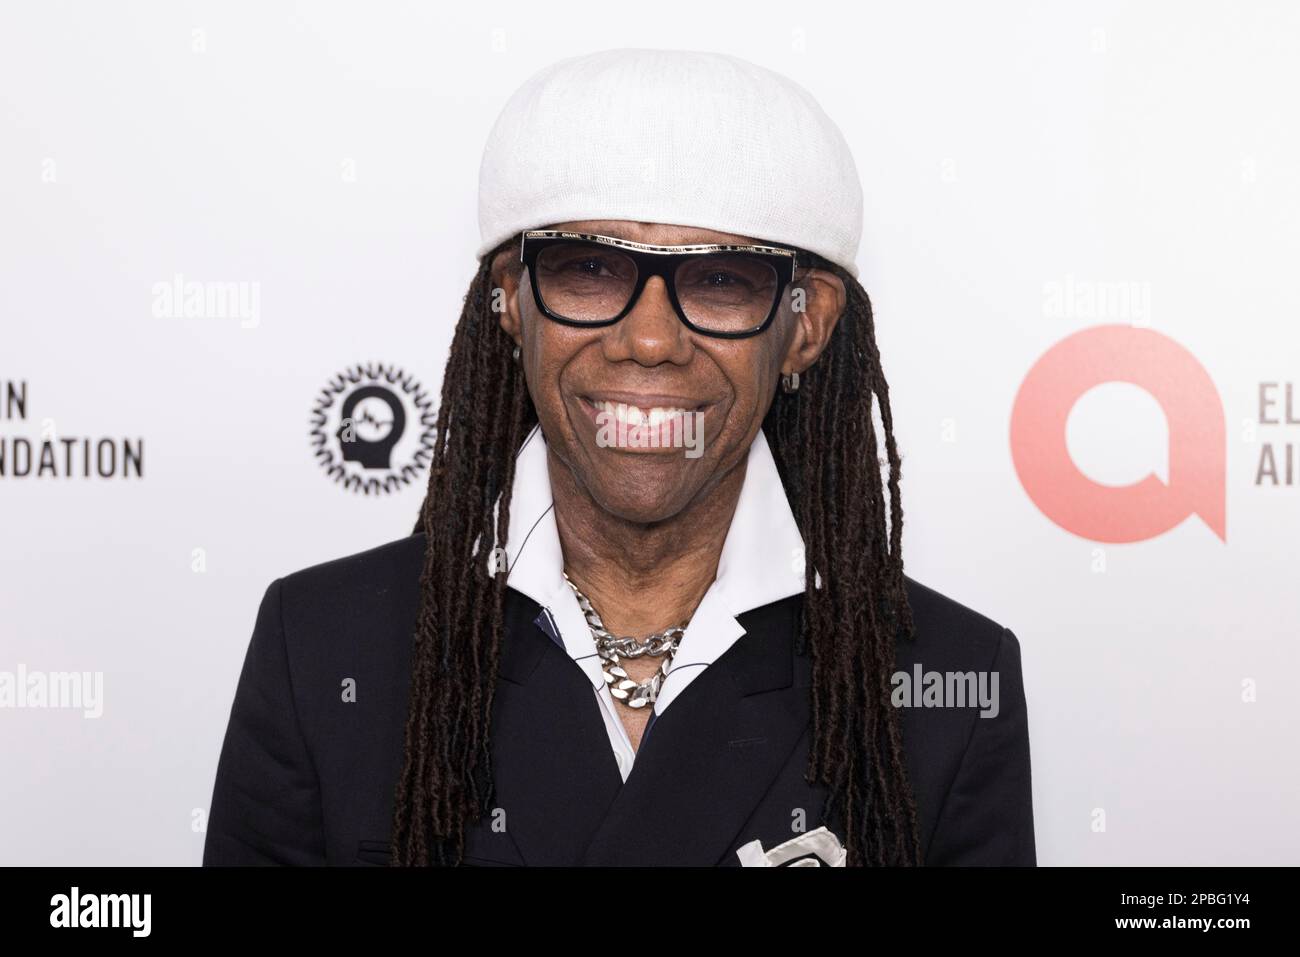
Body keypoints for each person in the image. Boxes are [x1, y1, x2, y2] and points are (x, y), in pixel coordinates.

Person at [203, 47, 1035, 867]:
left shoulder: (947, 683)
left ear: (805, 325)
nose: (649, 340)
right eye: (591, 269)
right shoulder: (322, 646)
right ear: (510, 299)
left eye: (719, 280)